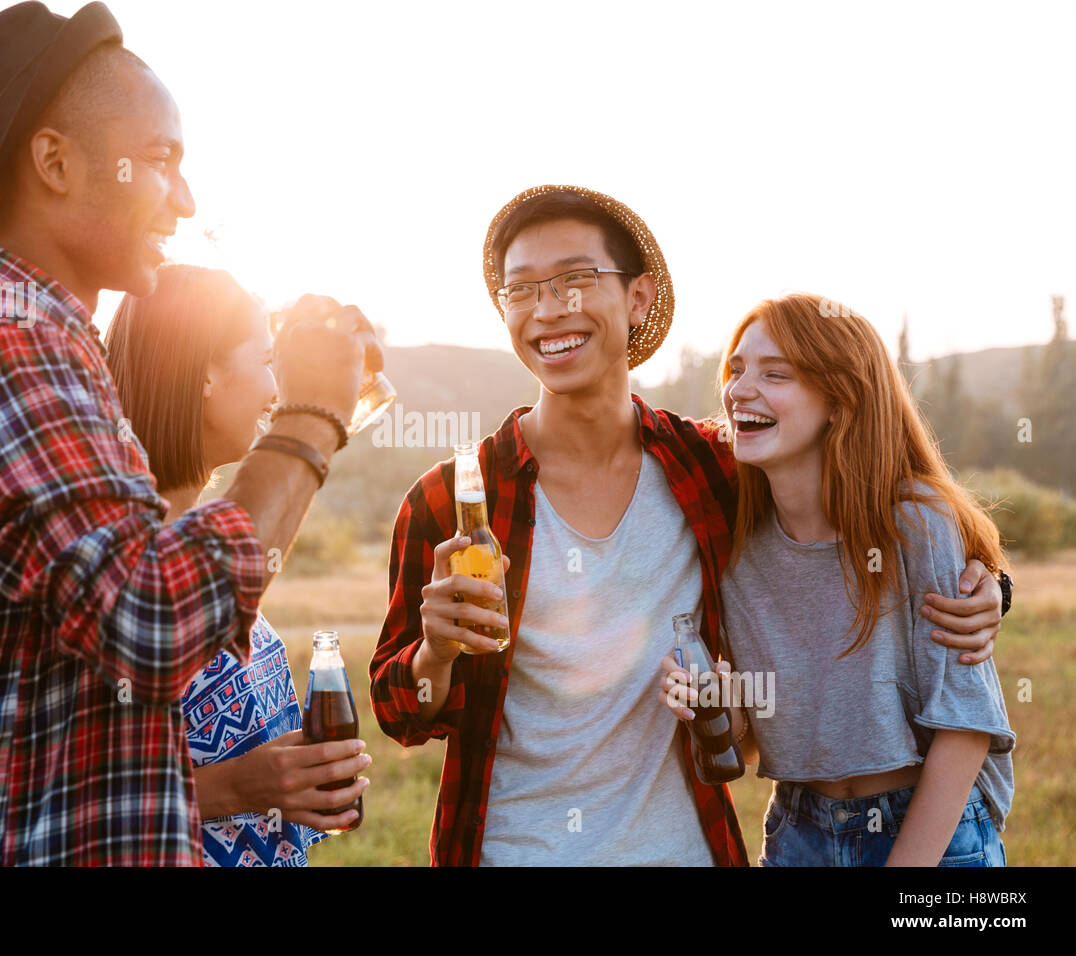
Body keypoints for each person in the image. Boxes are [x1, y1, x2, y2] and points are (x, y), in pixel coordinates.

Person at [0, 2, 379, 865]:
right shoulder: (14, 342)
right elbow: (153, 620)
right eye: (161, 160)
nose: (187, 199)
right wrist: (310, 416)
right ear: (54, 161)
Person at [369, 184, 1008, 866]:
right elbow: (401, 713)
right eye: (521, 289)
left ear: (639, 297)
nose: (550, 309)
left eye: (577, 280)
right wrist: (434, 652)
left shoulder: (711, 469)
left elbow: (855, 498)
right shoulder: (449, 501)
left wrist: (989, 586)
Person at [659, 294, 1014, 866]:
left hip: (929, 831)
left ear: (839, 400)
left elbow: (966, 730)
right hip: (800, 831)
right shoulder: (737, 542)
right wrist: (719, 705)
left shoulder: (914, 523)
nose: (739, 390)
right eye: (736, 370)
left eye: (776, 374)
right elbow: (752, 743)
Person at [104, 265, 371, 866]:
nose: (277, 389)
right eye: (267, 359)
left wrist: (297, 775)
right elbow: (67, 794)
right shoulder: (122, 558)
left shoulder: (203, 539)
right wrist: (243, 787)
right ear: (205, 374)